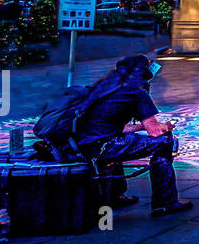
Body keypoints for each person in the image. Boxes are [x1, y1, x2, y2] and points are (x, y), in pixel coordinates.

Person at [75, 54, 192, 217]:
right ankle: (165, 202)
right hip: (105, 147)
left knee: (121, 142)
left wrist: (138, 127)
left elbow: (115, 128)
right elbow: (155, 132)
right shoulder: (136, 92)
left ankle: (115, 196)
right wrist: (166, 126)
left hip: (84, 145)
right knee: (165, 141)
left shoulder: (105, 87)